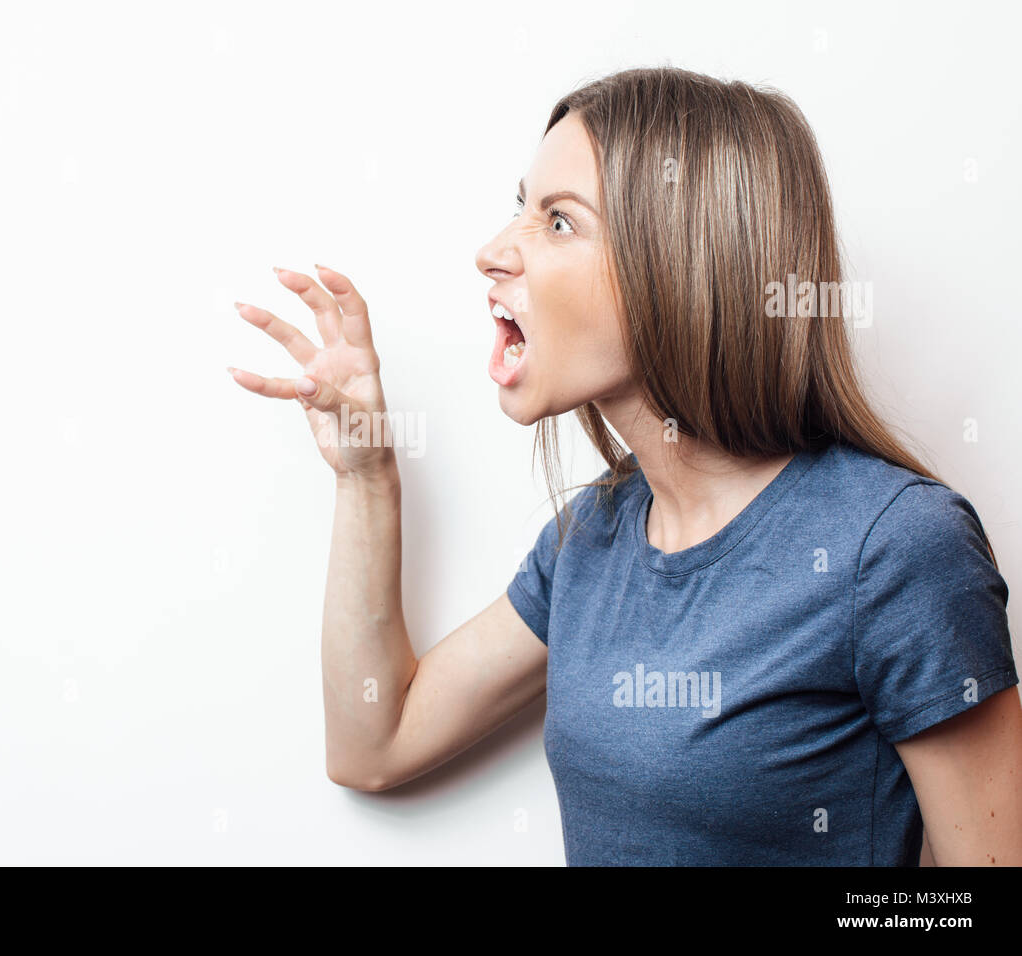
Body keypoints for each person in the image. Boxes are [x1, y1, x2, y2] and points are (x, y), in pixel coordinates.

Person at [226, 66, 1022, 866]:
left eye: (560, 222)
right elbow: (374, 742)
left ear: (682, 268)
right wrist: (366, 475)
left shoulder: (896, 547)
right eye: (519, 208)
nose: (493, 252)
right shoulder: (591, 540)